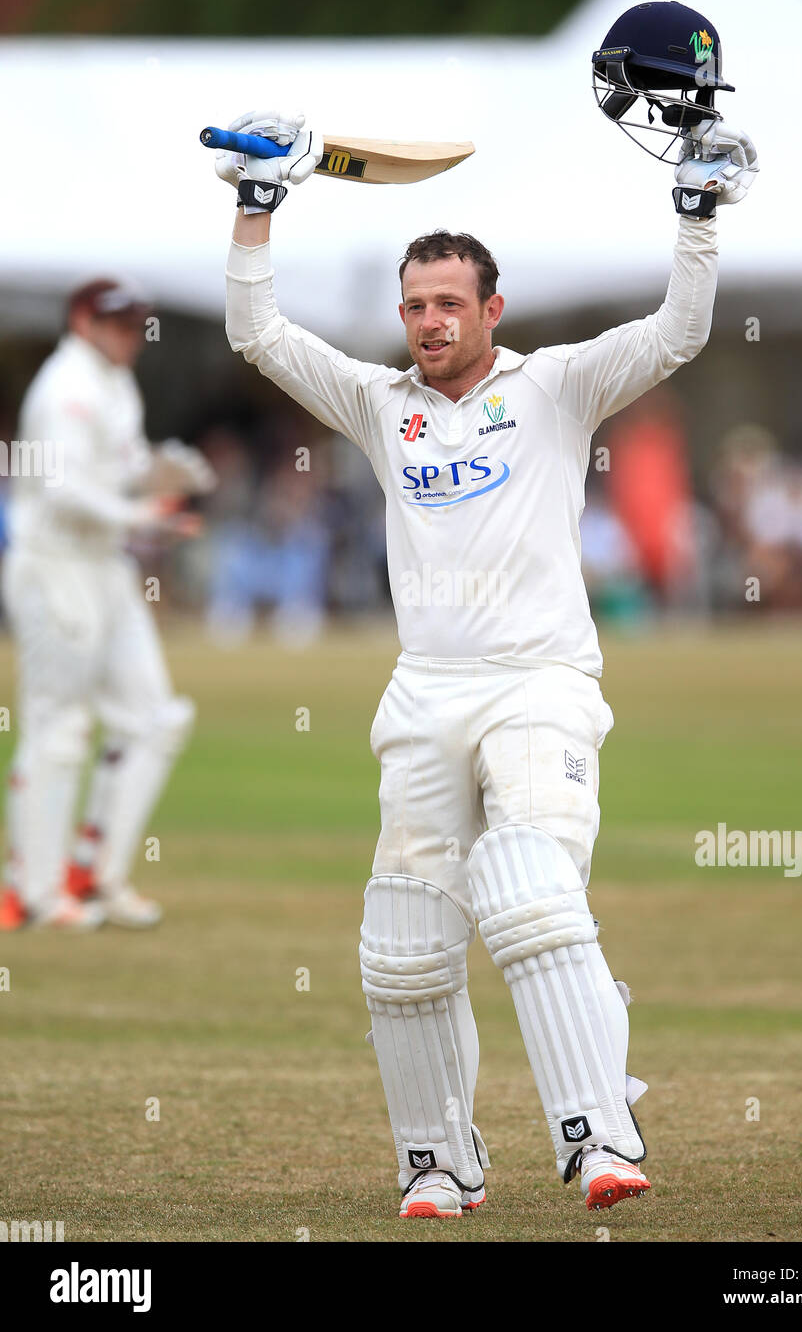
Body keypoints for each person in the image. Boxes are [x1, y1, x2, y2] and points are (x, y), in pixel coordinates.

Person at [217, 91, 755, 1217]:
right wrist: (259, 206)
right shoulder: (379, 405)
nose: (428, 321)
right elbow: (257, 337)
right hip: (423, 696)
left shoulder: (554, 385)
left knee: (526, 893)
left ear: (490, 308)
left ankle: (597, 1136)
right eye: (414, 305)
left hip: (538, 686)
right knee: (402, 942)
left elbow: (678, 333)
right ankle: (437, 1160)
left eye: (448, 303)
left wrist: (695, 216)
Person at [0, 278, 214, 931]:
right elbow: (62, 489)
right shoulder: (66, 387)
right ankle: (33, 894)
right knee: (59, 726)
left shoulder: (117, 384)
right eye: (117, 323)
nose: (129, 336)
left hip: (106, 563)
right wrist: (141, 513)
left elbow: (118, 469)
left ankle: (92, 874)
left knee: (154, 717)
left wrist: (163, 478)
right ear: (82, 320)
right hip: (56, 564)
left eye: (135, 324)